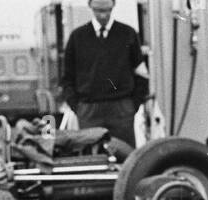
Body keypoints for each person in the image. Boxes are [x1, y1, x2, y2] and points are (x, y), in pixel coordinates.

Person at [62, 0, 149, 147]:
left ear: (113, 6)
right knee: (92, 158)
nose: (103, 15)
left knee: (125, 156)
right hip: (88, 110)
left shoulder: (128, 34)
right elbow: (67, 78)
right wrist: (78, 107)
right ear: (90, 7)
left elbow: (141, 74)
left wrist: (132, 106)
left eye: (107, 10)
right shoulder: (77, 37)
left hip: (121, 109)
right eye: (98, 10)